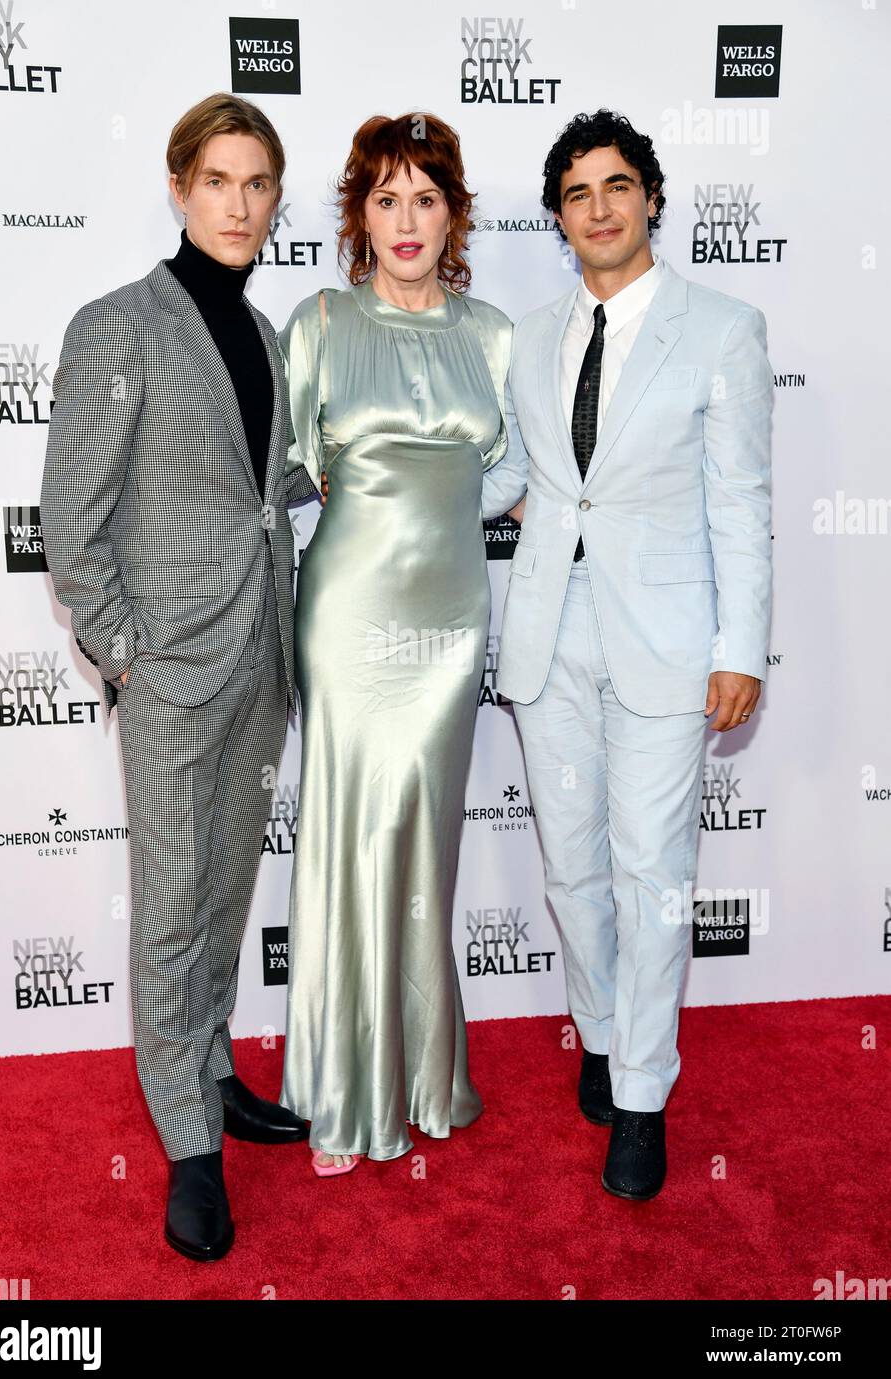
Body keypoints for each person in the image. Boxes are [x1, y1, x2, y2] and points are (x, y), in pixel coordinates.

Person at [39, 93, 313, 1262]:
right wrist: (122, 651)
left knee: (219, 895)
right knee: (167, 909)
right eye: (219, 182)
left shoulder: (260, 336)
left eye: (258, 185)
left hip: (260, 656)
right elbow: (70, 516)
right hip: (170, 666)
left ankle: (210, 1066)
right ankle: (188, 1146)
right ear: (178, 186)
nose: (239, 205)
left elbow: (267, 488)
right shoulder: (120, 322)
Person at [493, 110, 773, 1199]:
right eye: (575, 193)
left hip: (665, 645)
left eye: (615, 186)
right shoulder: (524, 336)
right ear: (558, 217)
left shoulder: (721, 328)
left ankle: (644, 1095)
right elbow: (507, 474)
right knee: (571, 868)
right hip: (546, 637)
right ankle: (601, 1032)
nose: (597, 208)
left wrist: (738, 647)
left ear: (649, 197)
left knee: (653, 875)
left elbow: (741, 500)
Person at [276, 113, 528, 1174]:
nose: (406, 220)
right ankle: (342, 1087)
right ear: (357, 214)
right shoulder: (321, 320)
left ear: (453, 212)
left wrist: (446, 510)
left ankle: (423, 1073)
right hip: (346, 614)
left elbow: (515, 471)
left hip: (449, 619)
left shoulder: (493, 333)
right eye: (384, 198)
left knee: (424, 838)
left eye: (425, 197)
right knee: (346, 830)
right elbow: (287, 464)